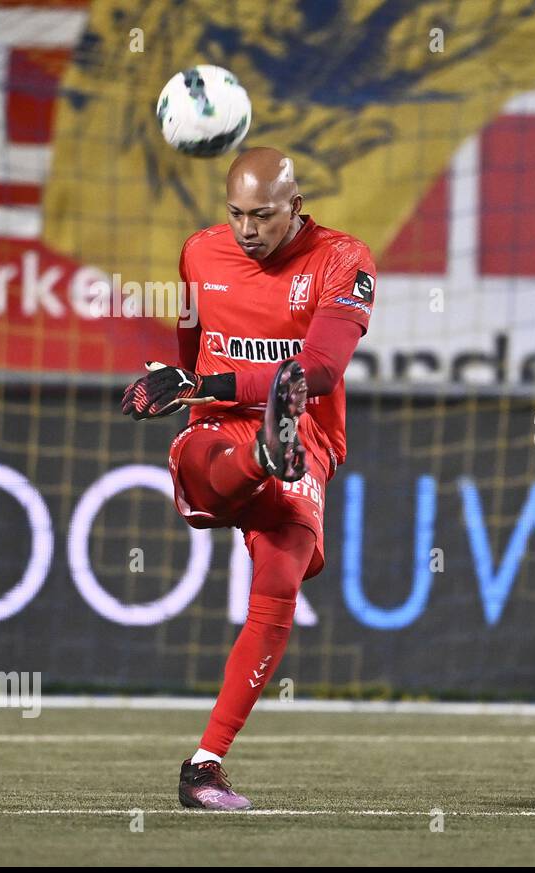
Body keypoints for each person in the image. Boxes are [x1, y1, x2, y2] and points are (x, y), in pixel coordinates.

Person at [120, 147, 376, 810]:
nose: (246, 229)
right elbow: (188, 344)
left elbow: (316, 371)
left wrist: (200, 380)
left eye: (262, 215)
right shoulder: (199, 255)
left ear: (297, 206)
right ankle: (263, 455)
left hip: (305, 433)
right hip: (225, 428)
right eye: (235, 214)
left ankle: (203, 767)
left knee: (284, 575)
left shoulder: (343, 261)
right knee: (203, 472)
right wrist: (181, 383)